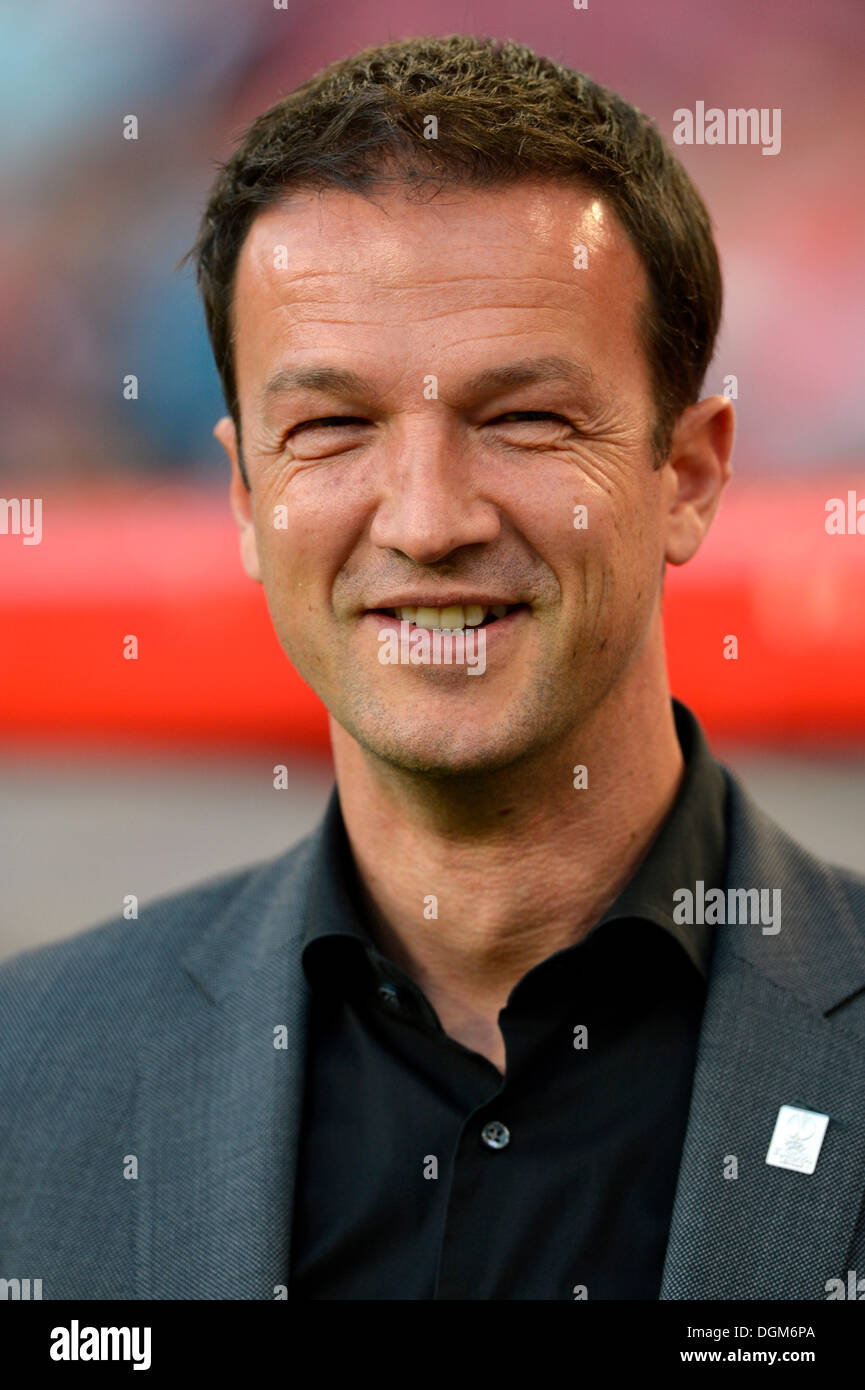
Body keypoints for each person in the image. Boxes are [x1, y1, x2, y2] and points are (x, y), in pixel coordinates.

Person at [2, 35, 864, 1302]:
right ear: (244, 492)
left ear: (686, 474)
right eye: (332, 427)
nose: (425, 517)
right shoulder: (29, 1074)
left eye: (522, 417)